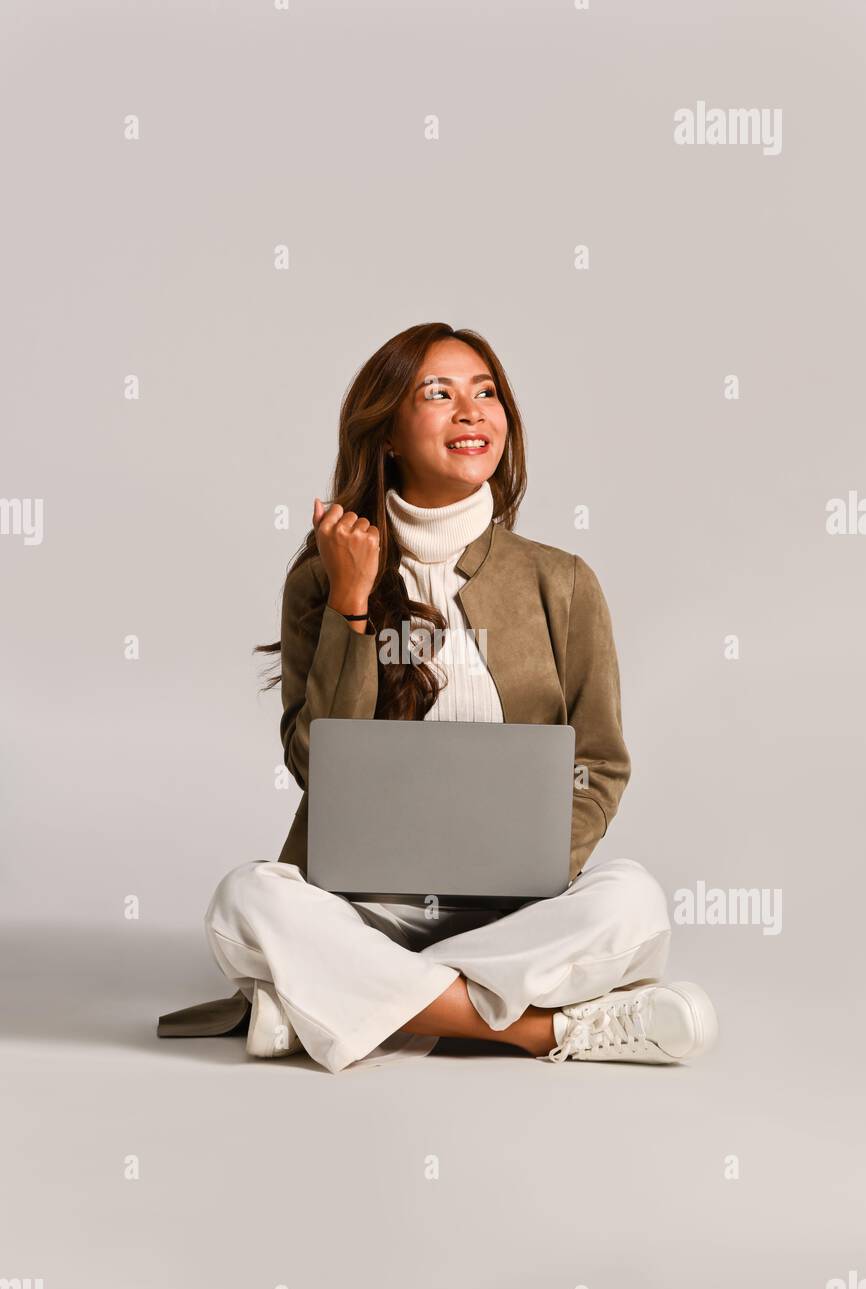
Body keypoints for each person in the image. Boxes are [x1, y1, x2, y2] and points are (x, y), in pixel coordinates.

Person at [157, 322, 719, 1073]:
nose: (472, 412)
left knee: (634, 903)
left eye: (487, 394)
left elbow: (600, 764)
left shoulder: (563, 582)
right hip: (366, 907)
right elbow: (315, 768)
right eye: (439, 393)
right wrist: (353, 603)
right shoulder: (321, 579)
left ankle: (344, 999)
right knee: (247, 902)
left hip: (521, 908)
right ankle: (539, 1029)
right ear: (387, 430)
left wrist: (541, 863)